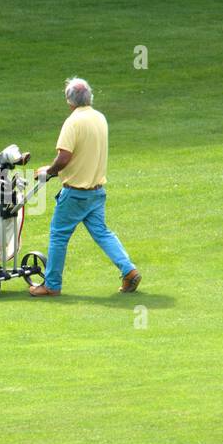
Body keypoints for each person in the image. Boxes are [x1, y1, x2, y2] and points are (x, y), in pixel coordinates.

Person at [31, 78, 140, 296]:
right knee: (102, 233)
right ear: (89, 97)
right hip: (96, 191)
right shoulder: (100, 118)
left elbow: (64, 157)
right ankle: (128, 270)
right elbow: (82, 155)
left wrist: (48, 172)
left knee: (58, 236)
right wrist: (53, 169)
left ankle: (51, 285)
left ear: (69, 100)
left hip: (75, 194)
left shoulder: (73, 122)